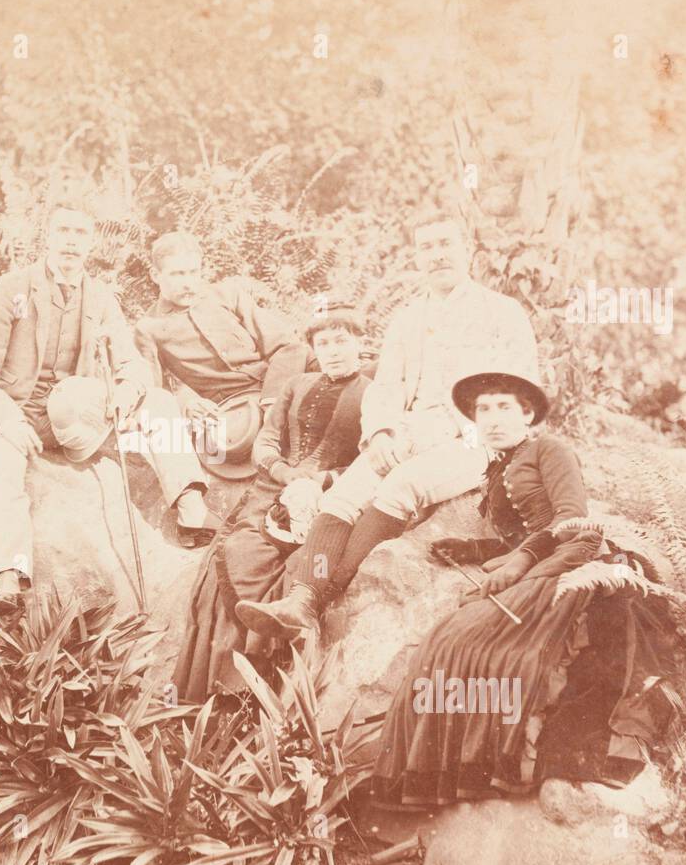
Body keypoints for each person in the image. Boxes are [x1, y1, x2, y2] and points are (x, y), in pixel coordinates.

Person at [365, 370, 677, 812]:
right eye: (483, 410)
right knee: (447, 641)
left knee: (492, 649)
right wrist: (475, 548)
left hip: (573, 566)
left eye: (503, 407)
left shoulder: (551, 450)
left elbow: (573, 525)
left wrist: (519, 566)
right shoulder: (499, 468)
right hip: (539, 563)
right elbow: (522, 535)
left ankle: (494, 766)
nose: (491, 419)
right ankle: (436, 778)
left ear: (527, 413)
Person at [235, 211, 538, 639]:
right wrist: (379, 432)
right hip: (408, 428)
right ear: (416, 257)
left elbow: (521, 390)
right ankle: (301, 598)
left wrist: (458, 427)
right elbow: (386, 387)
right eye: (426, 247)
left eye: (445, 244)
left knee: (401, 485)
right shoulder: (407, 319)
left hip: (476, 436)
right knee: (341, 497)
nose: (436, 256)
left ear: (467, 248)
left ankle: (319, 596)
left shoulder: (502, 313)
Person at [0, 197, 220, 615]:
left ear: (92, 242)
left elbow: (132, 364)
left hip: (73, 414)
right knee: (9, 470)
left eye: (81, 233)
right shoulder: (12, 290)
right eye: (63, 231)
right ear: (47, 236)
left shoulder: (99, 297)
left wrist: (126, 389)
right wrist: (6, 420)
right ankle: (7, 573)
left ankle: (189, 504)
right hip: (13, 414)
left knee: (160, 401)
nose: (71, 242)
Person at [172, 303, 369, 704]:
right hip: (270, 488)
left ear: (359, 343)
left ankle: (265, 690)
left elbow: (369, 458)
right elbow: (265, 441)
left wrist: (323, 480)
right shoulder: (296, 384)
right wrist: (282, 472)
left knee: (301, 567)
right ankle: (217, 692)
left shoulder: (373, 393)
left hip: (331, 497)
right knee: (232, 553)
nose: (332, 350)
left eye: (341, 341)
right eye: (324, 342)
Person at [133, 229, 310, 430]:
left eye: (194, 272)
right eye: (177, 274)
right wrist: (187, 404)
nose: (188, 283)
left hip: (276, 386)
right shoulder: (148, 327)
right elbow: (156, 390)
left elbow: (286, 345)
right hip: (232, 411)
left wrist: (273, 400)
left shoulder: (226, 294)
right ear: (155, 275)